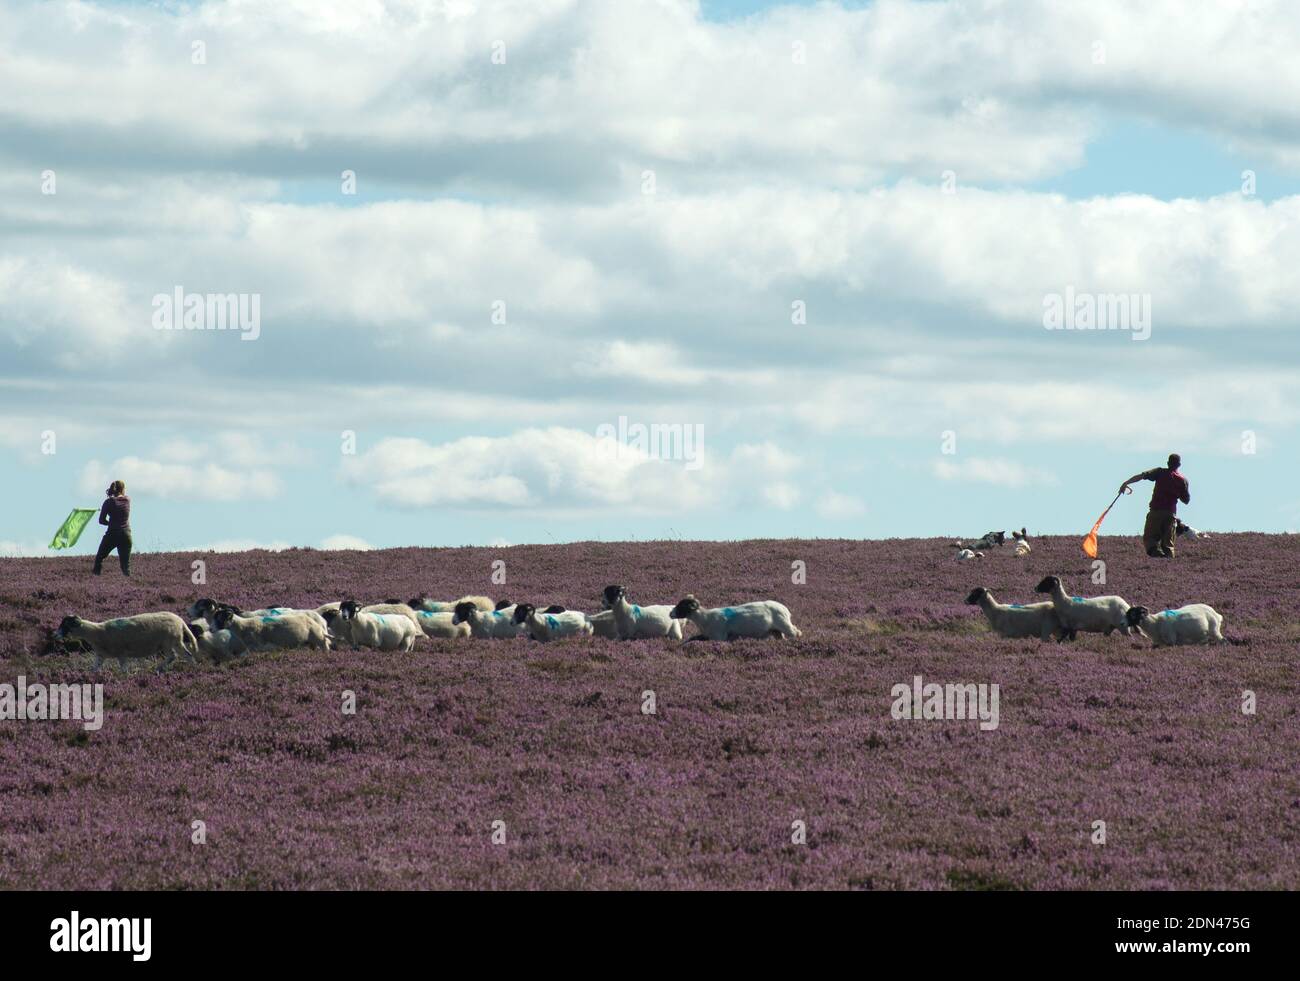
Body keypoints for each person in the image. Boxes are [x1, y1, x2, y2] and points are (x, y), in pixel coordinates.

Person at [1119, 454, 1190, 559]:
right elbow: (1186, 500)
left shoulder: (1160, 472)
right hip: (1171, 515)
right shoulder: (1182, 480)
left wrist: (1126, 483)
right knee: (1168, 546)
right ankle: (1168, 566)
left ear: (1168, 463)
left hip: (1156, 513)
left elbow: (1142, 475)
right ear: (1179, 465)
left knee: (1150, 541)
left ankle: (1158, 557)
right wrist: (1176, 491)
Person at [93, 480, 132, 577]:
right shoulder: (127, 500)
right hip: (126, 534)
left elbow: (101, 520)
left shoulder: (108, 502)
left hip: (112, 534)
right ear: (122, 489)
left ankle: (94, 580)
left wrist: (111, 523)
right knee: (125, 566)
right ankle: (130, 586)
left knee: (99, 559)